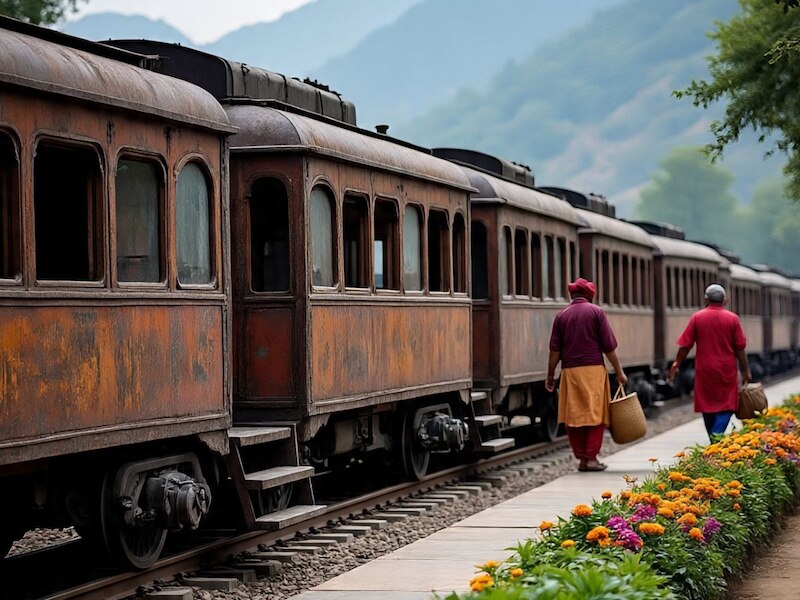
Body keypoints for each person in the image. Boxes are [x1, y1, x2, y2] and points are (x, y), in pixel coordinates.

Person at [546, 277, 628, 472]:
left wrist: (550, 375)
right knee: (595, 414)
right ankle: (591, 458)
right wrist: (619, 372)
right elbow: (609, 347)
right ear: (590, 295)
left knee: (573, 416)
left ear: (571, 295)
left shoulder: (561, 316)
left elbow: (554, 350)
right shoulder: (596, 312)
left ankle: (582, 458)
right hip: (593, 371)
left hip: (570, 372)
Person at [668, 283, 751, 440]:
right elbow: (740, 348)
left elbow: (685, 346)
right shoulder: (732, 319)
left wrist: (676, 363)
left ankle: (713, 439)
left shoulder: (697, 318)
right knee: (728, 403)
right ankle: (717, 435)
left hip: (704, 369)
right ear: (725, 300)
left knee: (707, 404)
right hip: (727, 369)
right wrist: (746, 370)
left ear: (706, 300)